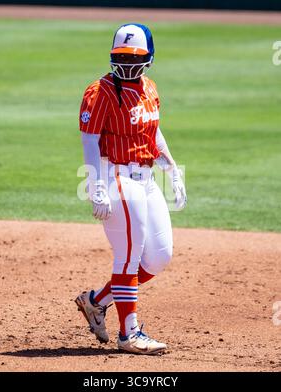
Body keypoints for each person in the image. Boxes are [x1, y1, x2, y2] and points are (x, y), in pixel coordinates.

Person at [75, 23, 187, 355]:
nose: (126, 64)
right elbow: (90, 142)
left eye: (133, 57)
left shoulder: (150, 88)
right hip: (115, 177)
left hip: (147, 179)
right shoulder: (100, 92)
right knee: (129, 255)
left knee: (158, 257)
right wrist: (96, 186)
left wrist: (172, 169)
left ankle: (96, 302)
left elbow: (153, 132)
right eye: (121, 56)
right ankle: (130, 333)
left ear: (148, 59)